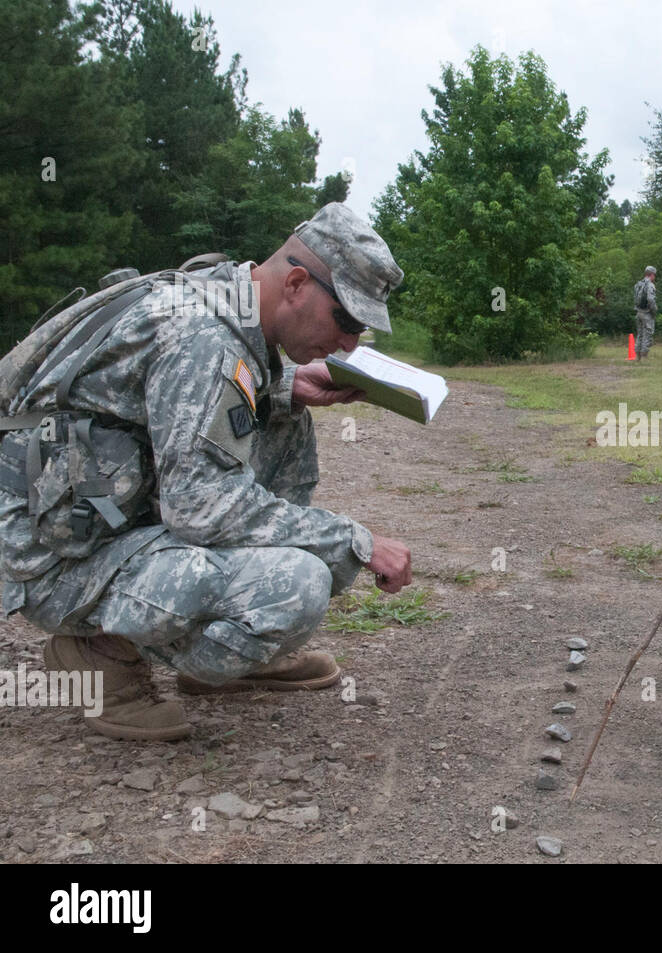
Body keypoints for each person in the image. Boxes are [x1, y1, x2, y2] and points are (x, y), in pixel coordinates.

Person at [0, 202, 414, 742]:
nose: (350, 344)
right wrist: (356, 539)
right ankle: (97, 650)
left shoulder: (225, 293)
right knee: (299, 583)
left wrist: (284, 389)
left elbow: (173, 415)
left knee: (287, 419)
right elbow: (199, 506)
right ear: (294, 283)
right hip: (52, 557)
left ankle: (234, 655)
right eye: (347, 320)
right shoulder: (203, 335)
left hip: (100, 515)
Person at [632, 265, 658, 361]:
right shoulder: (650, 285)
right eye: (654, 275)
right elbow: (651, 299)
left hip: (638, 312)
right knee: (647, 334)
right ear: (652, 275)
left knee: (640, 334)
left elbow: (635, 298)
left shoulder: (638, 284)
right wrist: (654, 310)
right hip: (647, 313)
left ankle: (637, 356)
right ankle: (644, 356)